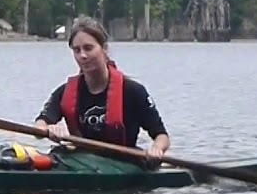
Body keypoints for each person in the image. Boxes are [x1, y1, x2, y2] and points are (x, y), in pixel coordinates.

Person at [34, 15, 170, 168]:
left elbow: (161, 135)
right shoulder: (65, 91)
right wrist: (48, 129)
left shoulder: (133, 91)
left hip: (122, 165)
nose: (82, 56)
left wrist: (157, 148)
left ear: (104, 48)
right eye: (77, 50)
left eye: (88, 48)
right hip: (81, 163)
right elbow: (40, 123)